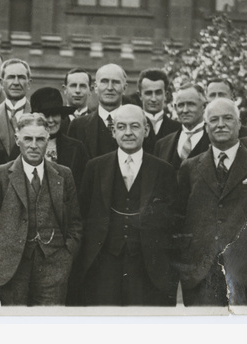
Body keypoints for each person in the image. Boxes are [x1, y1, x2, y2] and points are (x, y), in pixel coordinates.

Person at [176, 98, 247, 306]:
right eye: (214, 120)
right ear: (206, 127)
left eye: (227, 118)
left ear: (239, 123)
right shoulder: (189, 168)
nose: (221, 124)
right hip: (201, 279)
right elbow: (179, 221)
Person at [71, 105, 179, 306]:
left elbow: (172, 222)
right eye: (121, 127)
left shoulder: (163, 170)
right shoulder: (95, 167)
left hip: (147, 269)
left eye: (135, 126)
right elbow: (82, 214)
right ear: (113, 131)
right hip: (103, 266)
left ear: (146, 131)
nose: (128, 133)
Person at [0, 113, 81, 306]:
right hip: (10, 266)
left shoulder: (63, 175)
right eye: (28, 139)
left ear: (48, 140)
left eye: (40, 139)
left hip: (53, 267)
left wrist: (66, 256)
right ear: (17, 140)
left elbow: (75, 223)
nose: (33, 145)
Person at [29, 87, 90, 188]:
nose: (51, 120)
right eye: (46, 115)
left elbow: (85, 186)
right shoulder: (24, 146)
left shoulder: (77, 148)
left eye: (55, 114)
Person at [68, 63, 127, 159]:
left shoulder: (139, 123)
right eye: (104, 82)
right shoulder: (78, 126)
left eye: (115, 82)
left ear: (124, 88)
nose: (110, 88)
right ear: (95, 87)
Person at [154, 84, 210, 170]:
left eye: (191, 104)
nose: (185, 110)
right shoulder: (162, 145)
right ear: (175, 108)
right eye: (180, 105)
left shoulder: (215, 141)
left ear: (204, 106)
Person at [0, 59, 33, 157]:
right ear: (1, 83)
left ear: (29, 83)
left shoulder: (37, 114)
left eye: (21, 77)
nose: (16, 82)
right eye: (11, 77)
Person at [138, 69, 180, 152]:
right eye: (148, 93)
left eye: (158, 93)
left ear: (166, 95)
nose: (153, 99)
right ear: (140, 95)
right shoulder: (132, 127)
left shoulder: (178, 128)